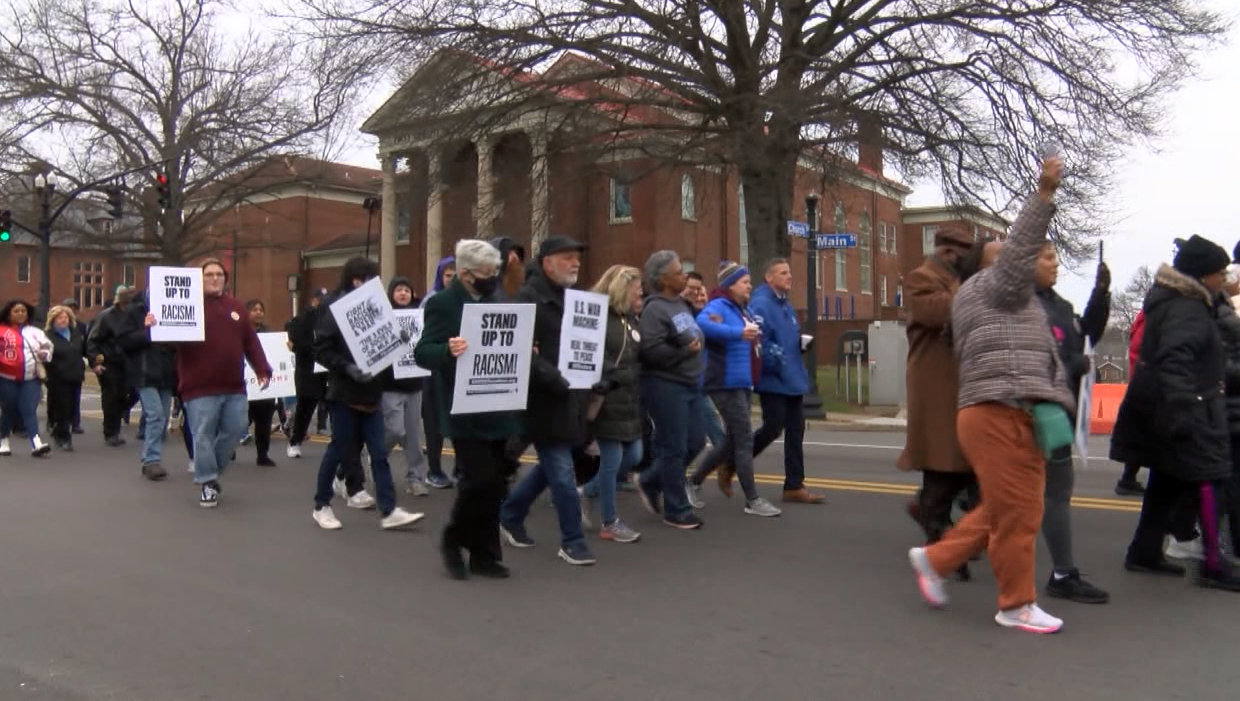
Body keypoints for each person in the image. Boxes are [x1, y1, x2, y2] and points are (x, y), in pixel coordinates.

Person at [907, 154, 1072, 634]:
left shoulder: (1005, 301)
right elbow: (1019, 250)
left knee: (1010, 507)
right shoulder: (991, 289)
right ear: (987, 267)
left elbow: (1045, 361)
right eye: (1008, 255)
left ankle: (936, 559)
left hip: (1012, 412)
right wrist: (1043, 194)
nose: (1027, 261)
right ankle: (1016, 604)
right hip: (1001, 413)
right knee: (1019, 515)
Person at [1111, 235, 1240, 591]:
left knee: (1166, 481)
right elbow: (1176, 360)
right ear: (1202, 275)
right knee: (1211, 478)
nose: (1224, 278)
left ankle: (1144, 551)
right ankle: (1213, 564)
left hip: (1164, 407)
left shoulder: (1185, 302)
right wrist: (1186, 410)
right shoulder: (1187, 307)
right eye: (1219, 272)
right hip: (1185, 408)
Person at [417, 239, 521, 578]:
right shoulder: (444, 304)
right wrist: (447, 350)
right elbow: (423, 352)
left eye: (495, 272)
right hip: (465, 408)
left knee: (496, 484)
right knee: (479, 481)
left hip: (498, 403)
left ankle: (485, 554)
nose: (492, 278)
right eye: (486, 273)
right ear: (465, 274)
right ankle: (454, 538)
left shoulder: (496, 299)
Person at [499, 235, 596, 566]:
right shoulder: (529, 299)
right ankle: (572, 541)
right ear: (547, 262)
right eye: (567, 257)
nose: (575, 263)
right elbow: (521, 350)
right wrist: (551, 376)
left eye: (577, 257)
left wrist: (599, 375)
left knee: (550, 468)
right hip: (542, 399)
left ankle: (510, 515)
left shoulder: (576, 299)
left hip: (572, 399)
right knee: (561, 471)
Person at [310, 257, 423, 531]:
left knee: (379, 454)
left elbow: (383, 343)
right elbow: (322, 350)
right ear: (357, 280)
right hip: (345, 392)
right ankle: (321, 505)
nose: (375, 283)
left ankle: (388, 509)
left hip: (372, 392)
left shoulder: (376, 306)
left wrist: (400, 341)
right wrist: (347, 368)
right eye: (370, 277)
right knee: (338, 449)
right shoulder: (334, 308)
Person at [1034, 244, 1111, 603]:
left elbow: (1085, 334)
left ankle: (945, 552)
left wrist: (1100, 296)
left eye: (1056, 258)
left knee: (1049, 493)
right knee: (1049, 494)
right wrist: (1071, 366)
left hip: (1059, 410)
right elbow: (1031, 364)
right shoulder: (1022, 306)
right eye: (1048, 258)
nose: (1056, 265)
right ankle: (1063, 573)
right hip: (1037, 413)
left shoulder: (1058, 304)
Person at [898, 228, 978, 576]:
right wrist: (971, 287)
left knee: (969, 466)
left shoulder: (960, 282)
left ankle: (946, 530)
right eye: (965, 256)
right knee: (942, 465)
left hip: (961, 386)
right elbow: (937, 313)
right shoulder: (921, 278)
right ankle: (938, 540)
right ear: (947, 253)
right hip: (935, 388)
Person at [173, 259, 271, 508]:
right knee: (203, 435)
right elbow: (167, 342)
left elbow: (251, 342)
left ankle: (210, 471)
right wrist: (155, 326)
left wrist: (262, 368)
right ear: (199, 278)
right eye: (209, 274)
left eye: (219, 274)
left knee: (236, 429)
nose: (215, 278)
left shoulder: (236, 308)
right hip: (199, 387)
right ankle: (207, 482)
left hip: (233, 386)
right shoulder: (187, 305)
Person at [688, 261, 781, 517]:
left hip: (741, 381)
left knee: (733, 438)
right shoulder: (718, 305)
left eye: (749, 281)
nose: (750, 285)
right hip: (723, 382)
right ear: (730, 285)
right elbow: (702, 325)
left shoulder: (743, 310)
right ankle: (753, 499)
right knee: (744, 437)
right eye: (745, 282)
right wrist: (737, 332)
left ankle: (694, 481)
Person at [635, 250, 705, 530]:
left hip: (689, 384)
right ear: (663, 279)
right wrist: (683, 351)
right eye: (679, 272)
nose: (685, 276)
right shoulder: (654, 309)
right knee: (673, 448)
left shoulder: (680, 304)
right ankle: (676, 510)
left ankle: (650, 480)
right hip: (665, 385)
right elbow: (649, 351)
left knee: (696, 442)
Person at [750, 258, 825, 505]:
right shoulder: (761, 304)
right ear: (769, 278)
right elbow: (759, 341)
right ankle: (734, 459)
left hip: (792, 379)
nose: (789, 276)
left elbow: (785, 337)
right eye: (783, 273)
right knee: (772, 428)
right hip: (774, 379)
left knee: (796, 429)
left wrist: (800, 344)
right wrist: (779, 358)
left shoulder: (786, 306)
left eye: (789, 272)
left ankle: (794, 485)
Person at [579, 265, 644, 543]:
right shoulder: (600, 317)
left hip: (628, 398)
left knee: (635, 455)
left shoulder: (629, 318)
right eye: (636, 288)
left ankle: (587, 493)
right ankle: (609, 521)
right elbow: (590, 353)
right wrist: (616, 373)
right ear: (622, 288)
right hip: (607, 396)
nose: (640, 293)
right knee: (612, 460)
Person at [116, 291, 181, 480]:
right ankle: (152, 460)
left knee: (161, 419)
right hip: (144, 373)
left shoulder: (173, 311)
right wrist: (147, 331)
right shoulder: (135, 312)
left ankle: (150, 458)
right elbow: (123, 341)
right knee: (155, 415)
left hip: (166, 372)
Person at [380, 276, 431, 497]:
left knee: (412, 434)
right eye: (399, 290)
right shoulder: (383, 317)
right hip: (390, 384)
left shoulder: (420, 317)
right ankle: (377, 458)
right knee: (394, 429)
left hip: (414, 384)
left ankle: (415, 477)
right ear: (391, 294)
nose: (403, 294)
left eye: (407, 290)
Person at [420, 256, 458, 489]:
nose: (452, 280)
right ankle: (434, 469)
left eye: (456, 275)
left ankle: (460, 467)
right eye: (448, 275)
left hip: (456, 371)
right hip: (434, 372)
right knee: (434, 424)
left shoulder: (465, 302)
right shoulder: (431, 301)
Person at [0, 300, 52, 457]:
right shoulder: (1, 331)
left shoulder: (35, 332)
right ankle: (3, 440)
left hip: (31, 378)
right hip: (6, 378)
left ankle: (36, 443)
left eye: (23, 311)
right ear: (8, 314)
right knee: (9, 410)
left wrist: (45, 354)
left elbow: (47, 346)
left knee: (29, 409)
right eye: (16, 311)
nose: (21, 314)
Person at [87, 287, 136, 447]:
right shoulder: (106, 316)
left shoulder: (134, 316)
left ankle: (118, 419)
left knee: (129, 394)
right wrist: (95, 362)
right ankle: (111, 432)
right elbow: (93, 339)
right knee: (111, 397)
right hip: (110, 362)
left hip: (129, 362)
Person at [285, 288, 329, 457]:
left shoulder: (332, 319)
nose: (322, 302)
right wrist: (307, 349)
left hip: (329, 371)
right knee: (306, 408)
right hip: (309, 371)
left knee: (337, 406)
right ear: (314, 300)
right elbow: (292, 334)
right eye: (320, 299)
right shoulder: (304, 319)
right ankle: (295, 442)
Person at [43, 304, 87, 452]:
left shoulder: (76, 333)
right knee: (62, 408)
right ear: (53, 320)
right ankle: (63, 438)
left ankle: (58, 429)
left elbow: (85, 350)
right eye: (60, 318)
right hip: (58, 377)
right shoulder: (48, 336)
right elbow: (44, 358)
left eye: (66, 317)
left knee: (72, 408)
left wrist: (94, 362)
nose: (64, 320)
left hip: (75, 375)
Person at [244, 299, 278, 467]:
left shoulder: (269, 333)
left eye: (261, 309)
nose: (258, 312)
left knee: (264, 421)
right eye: (254, 309)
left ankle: (262, 454)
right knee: (239, 421)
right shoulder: (240, 331)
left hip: (263, 385)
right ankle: (228, 450)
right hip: (244, 385)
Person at [63, 298, 87, 435]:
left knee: (75, 397)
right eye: (68, 307)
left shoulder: (81, 327)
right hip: (60, 368)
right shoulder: (56, 325)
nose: (71, 310)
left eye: (74, 308)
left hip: (76, 366)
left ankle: (75, 423)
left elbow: (86, 346)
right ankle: (57, 421)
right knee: (61, 397)